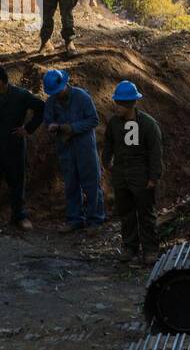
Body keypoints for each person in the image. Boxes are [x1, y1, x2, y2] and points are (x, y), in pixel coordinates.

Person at [102, 80, 163, 263]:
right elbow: (108, 144)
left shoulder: (148, 124)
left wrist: (154, 176)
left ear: (132, 103)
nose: (119, 107)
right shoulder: (114, 123)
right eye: (118, 103)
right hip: (121, 174)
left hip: (141, 174)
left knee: (146, 213)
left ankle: (150, 249)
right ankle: (130, 247)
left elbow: (155, 152)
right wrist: (107, 162)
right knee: (126, 213)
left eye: (123, 103)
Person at [42, 68, 105, 232]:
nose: (57, 94)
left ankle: (96, 220)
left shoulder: (82, 97)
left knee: (91, 183)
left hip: (84, 146)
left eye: (58, 91)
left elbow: (93, 120)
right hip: (65, 148)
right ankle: (75, 219)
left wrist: (71, 128)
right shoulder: (51, 102)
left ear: (65, 84)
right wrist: (51, 126)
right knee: (71, 184)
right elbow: (47, 120)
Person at [0, 65, 44, 230]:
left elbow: (41, 108)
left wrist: (27, 129)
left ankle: (19, 216)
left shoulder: (20, 95)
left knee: (17, 181)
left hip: (14, 145)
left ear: (2, 82)